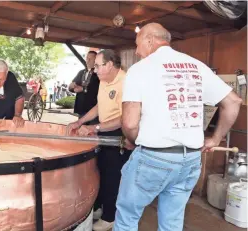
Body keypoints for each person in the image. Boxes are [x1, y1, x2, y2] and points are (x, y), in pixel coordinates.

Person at [113, 23, 242, 231]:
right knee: (172, 221)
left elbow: (129, 122)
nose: (136, 51)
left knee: (127, 217)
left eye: (137, 45)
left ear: (149, 40)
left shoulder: (139, 69)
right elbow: (233, 102)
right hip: (190, 160)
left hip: (153, 158)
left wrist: (134, 140)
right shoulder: (197, 66)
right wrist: (216, 139)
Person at [67, 49, 131, 231]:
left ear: (110, 65)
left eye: (97, 66)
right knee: (100, 170)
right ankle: (101, 207)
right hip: (104, 129)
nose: (94, 70)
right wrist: (80, 121)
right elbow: (99, 106)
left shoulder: (126, 82)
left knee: (112, 176)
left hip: (120, 133)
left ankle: (110, 216)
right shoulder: (104, 80)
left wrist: (94, 128)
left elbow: (124, 118)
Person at [69, 51, 99, 124]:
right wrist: (71, 87)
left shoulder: (98, 73)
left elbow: (97, 88)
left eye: (90, 59)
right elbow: (72, 86)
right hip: (81, 108)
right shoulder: (81, 72)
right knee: (81, 130)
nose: (87, 60)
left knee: (91, 132)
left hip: (93, 108)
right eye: (87, 58)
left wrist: (83, 89)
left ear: (96, 60)